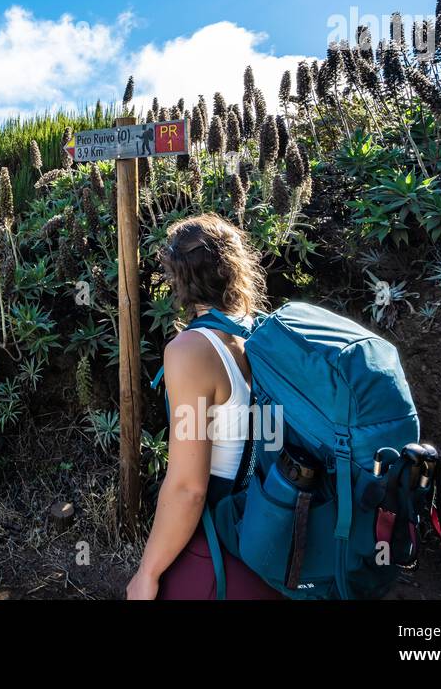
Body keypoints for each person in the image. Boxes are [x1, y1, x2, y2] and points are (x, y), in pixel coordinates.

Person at [126, 213, 281, 600]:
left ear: (177, 279)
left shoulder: (190, 351)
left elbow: (189, 488)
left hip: (219, 541)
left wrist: (146, 574)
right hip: (268, 531)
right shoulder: (259, 334)